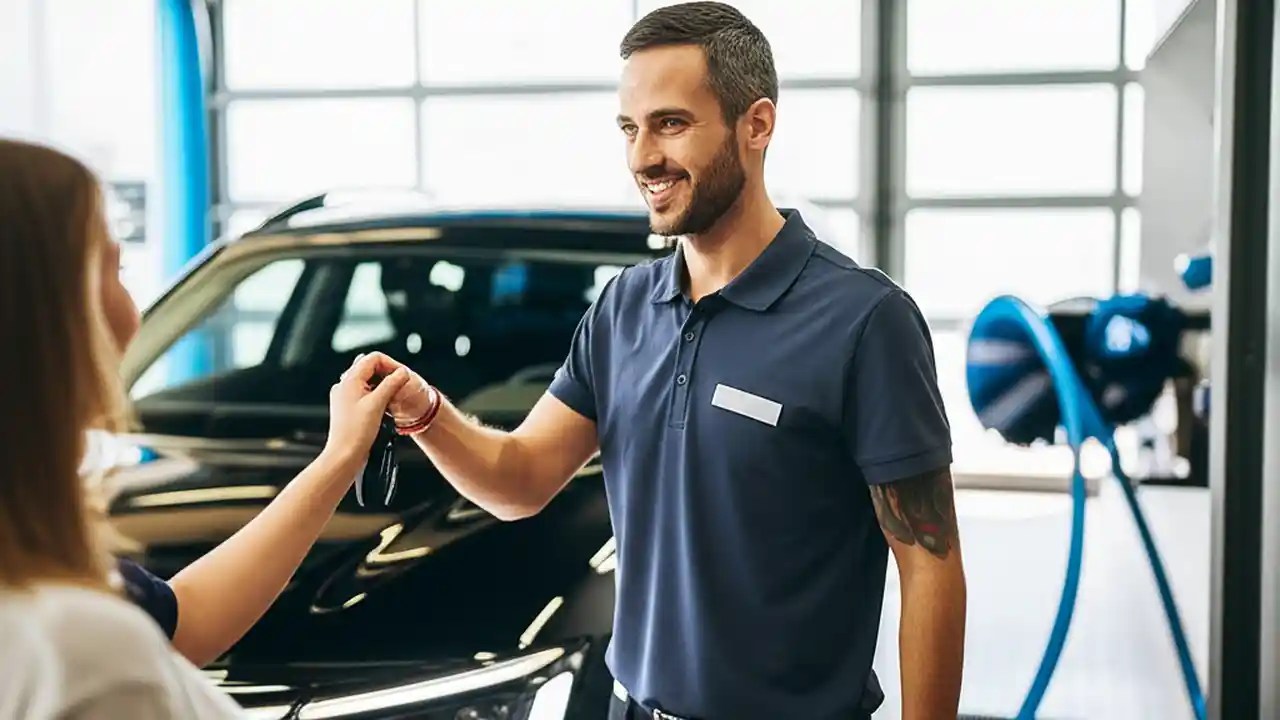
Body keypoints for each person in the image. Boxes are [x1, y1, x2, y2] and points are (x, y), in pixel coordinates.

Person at [357, 3, 967, 718]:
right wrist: (427, 412)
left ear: (756, 125)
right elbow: (520, 480)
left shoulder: (864, 321)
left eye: (670, 124)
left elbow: (930, 566)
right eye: (630, 128)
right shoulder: (623, 309)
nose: (642, 157)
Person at [0, 138, 409, 717]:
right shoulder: (83, 653)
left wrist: (340, 456)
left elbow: (180, 620)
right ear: (53, 316)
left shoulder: (52, 599)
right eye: (114, 268)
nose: (132, 313)